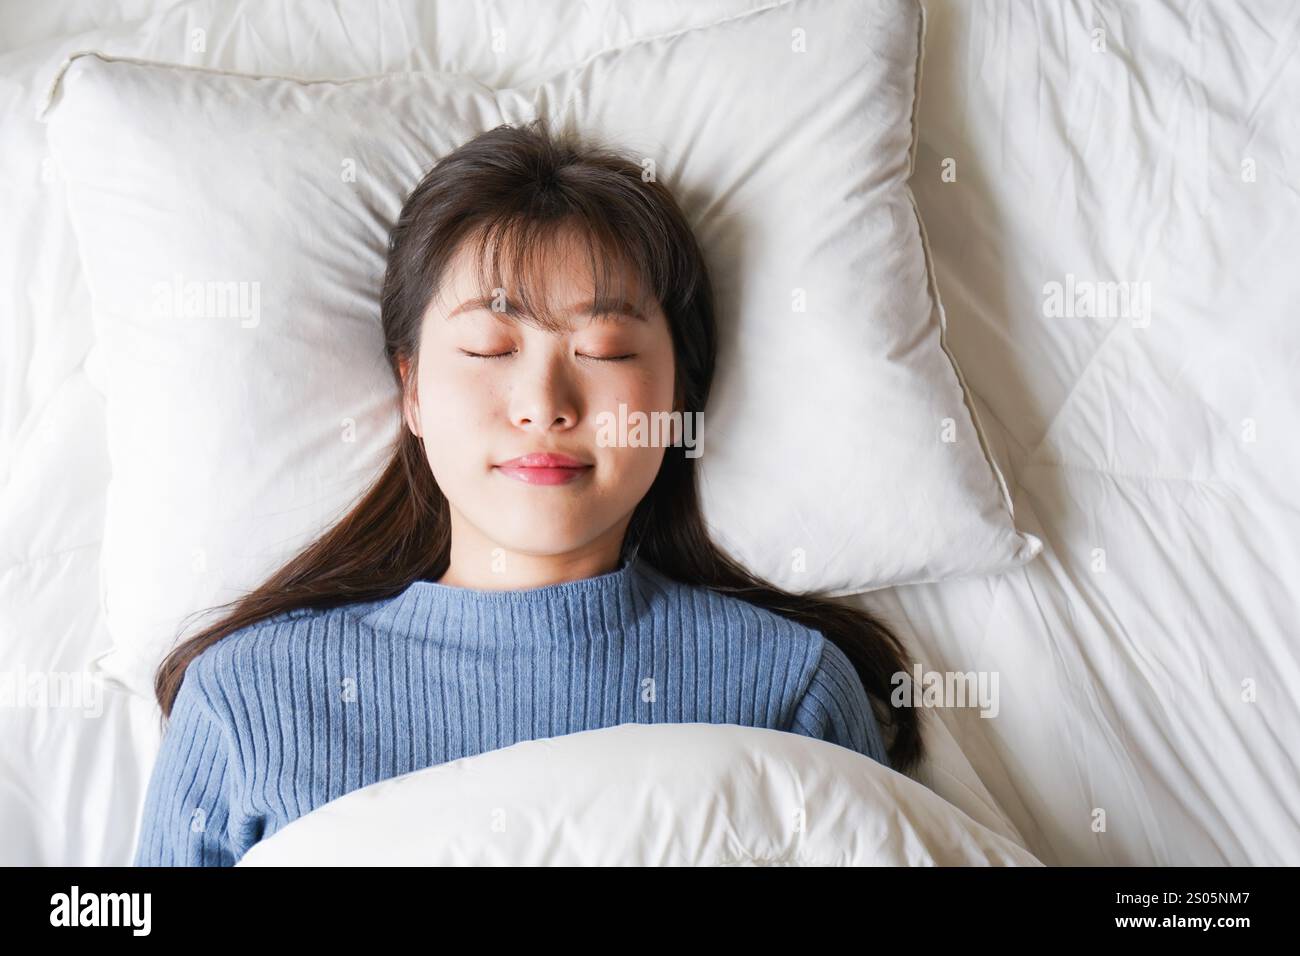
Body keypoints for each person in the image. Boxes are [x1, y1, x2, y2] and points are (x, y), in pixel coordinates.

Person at [132, 119, 923, 866]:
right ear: (412, 392)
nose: (544, 402)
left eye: (605, 349)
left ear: (678, 396)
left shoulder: (789, 687)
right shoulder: (245, 701)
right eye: (488, 346)